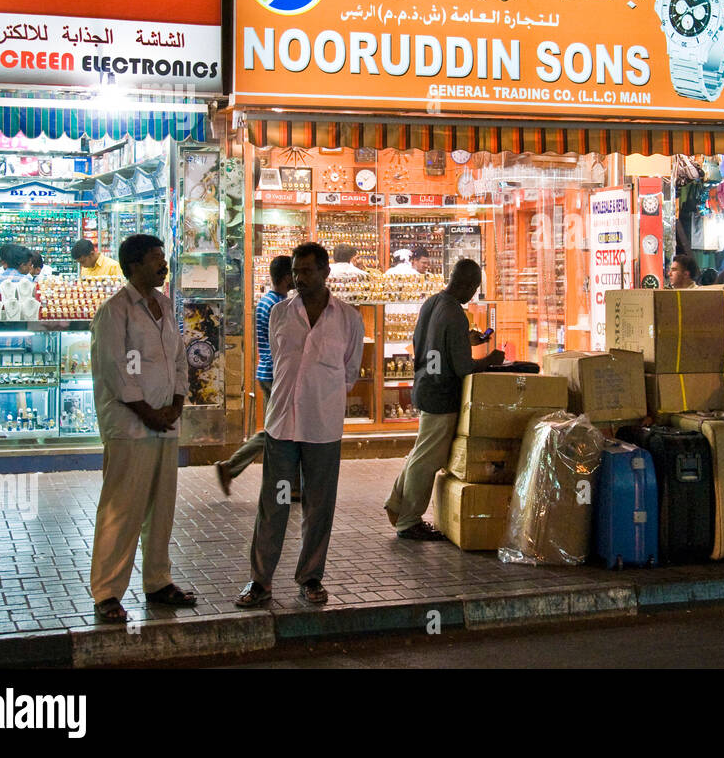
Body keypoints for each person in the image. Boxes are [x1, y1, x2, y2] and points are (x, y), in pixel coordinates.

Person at [236, 243, 364, 608]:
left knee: (318, 506)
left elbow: (350, 371)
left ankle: (311, 577)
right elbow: (278, 364)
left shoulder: (348, 319)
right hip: (282, 427)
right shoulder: (279, 313)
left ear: (325, 272)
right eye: (295, 271)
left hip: (322, 428)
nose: (299, 278)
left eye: (307, 271)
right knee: (273, 504)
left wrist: (320, 393)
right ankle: (260, 581)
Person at [88, 235, 192, 623]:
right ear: (133, 265)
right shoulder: (116, 312)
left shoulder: (164, 305)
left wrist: (176, 404)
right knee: (122, 511)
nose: (163, 265)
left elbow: (179, 360)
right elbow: (116, 371)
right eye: (155, 259)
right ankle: (108, 592)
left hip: (165, 424)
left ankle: (158, 582)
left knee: (161, 508)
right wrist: (149, 413)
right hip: (130, 428)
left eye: (163, 258)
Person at [385, 259, 505, 540]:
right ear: (466, 283)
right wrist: (490, 359)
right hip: (442, 393)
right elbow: (463, 367)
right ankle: (409, 520)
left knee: (421, 452)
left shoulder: (432, 303)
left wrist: (465, 340)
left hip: (425, 385)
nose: (472, 295)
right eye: (473, 289)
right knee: (428, 459)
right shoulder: (455, 313)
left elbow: (426, 343)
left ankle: (396, 504)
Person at [214, 256, 295, 497]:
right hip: (276, 373)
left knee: (279, 428)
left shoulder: (267, 301)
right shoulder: (279, 305)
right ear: (287, 277)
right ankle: (232, 467)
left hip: (267, 370)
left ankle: (235, 468)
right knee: (277, 430)